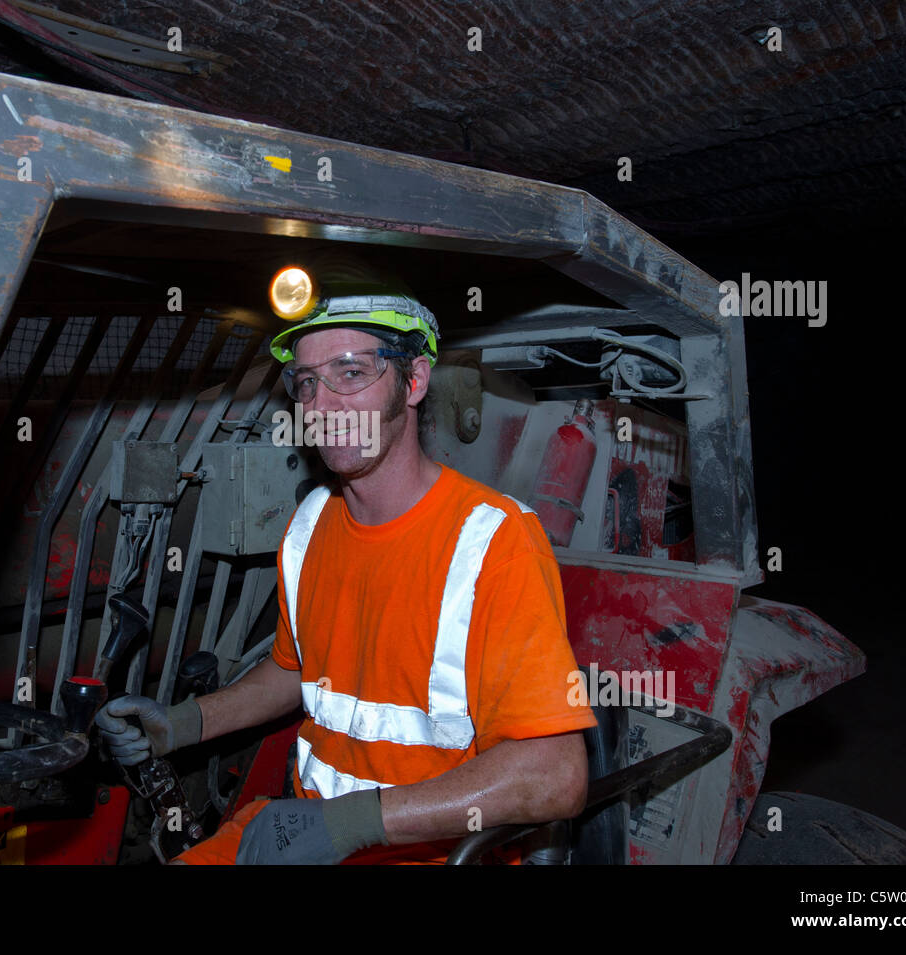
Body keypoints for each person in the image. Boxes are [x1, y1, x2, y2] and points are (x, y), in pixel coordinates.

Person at [97, 268, 596, 864]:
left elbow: (556, 776)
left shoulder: (493, 541)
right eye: (306, 383)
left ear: (413, 381)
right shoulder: (310, 526)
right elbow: (297, 671)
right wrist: (182, 724)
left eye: (352, 373)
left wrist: (348, 825)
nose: (323, 404)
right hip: (299, 836)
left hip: (423, 852)